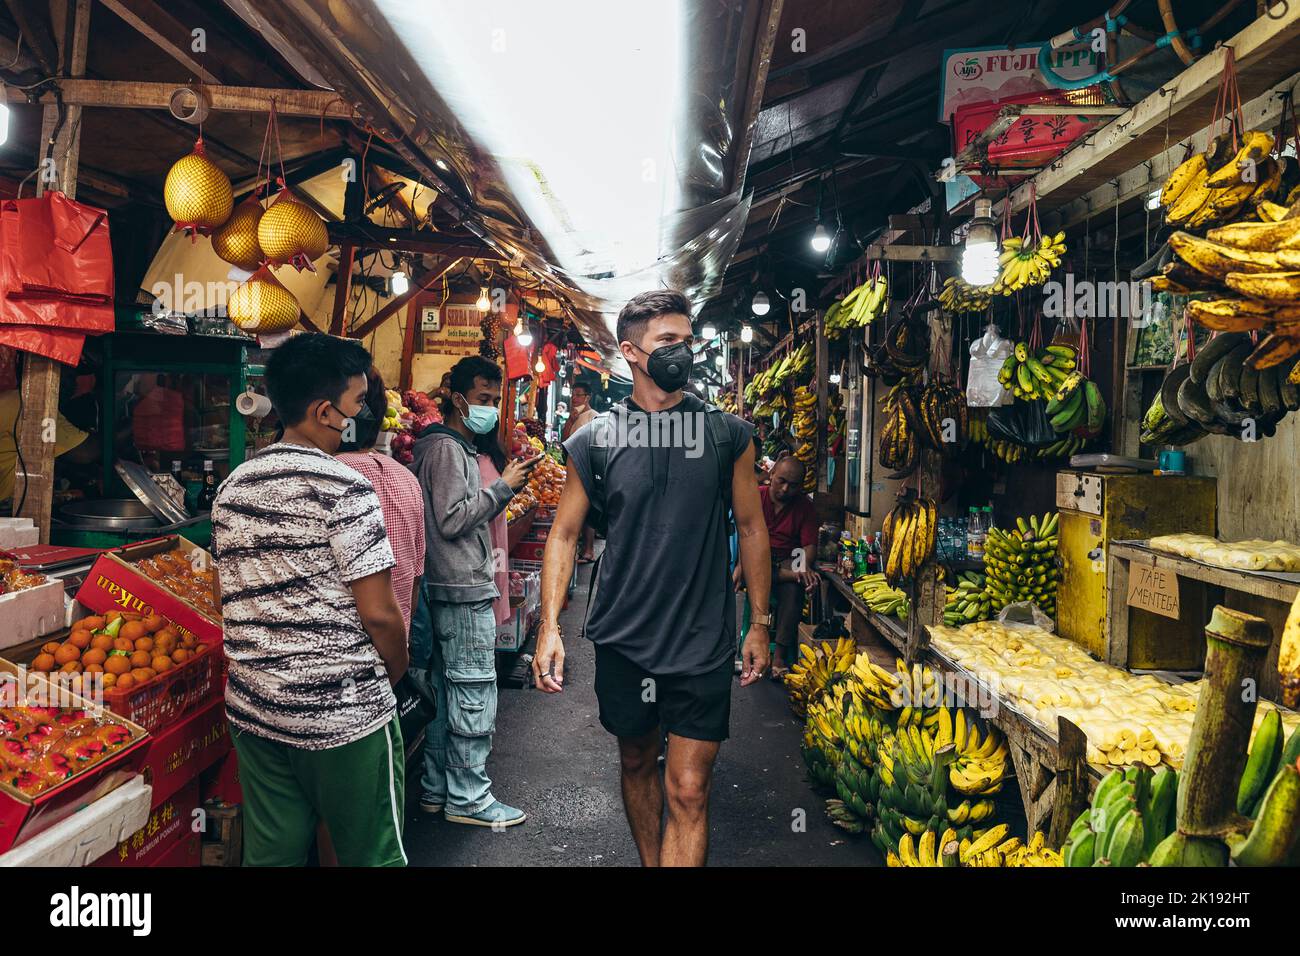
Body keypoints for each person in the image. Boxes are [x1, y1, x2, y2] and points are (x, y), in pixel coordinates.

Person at [534, 289, 772, 867]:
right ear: (630, 352)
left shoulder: (726, 435)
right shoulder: (595, 440)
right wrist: (549, 625)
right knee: (637, 761)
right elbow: (564, 534)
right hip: (625, 634)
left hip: (701, 637)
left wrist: (760, 623)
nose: (682, 353)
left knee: (689, 788)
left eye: (687, 341)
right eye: (668, 342)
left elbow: (753, 526)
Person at [209, 333, 409, 868]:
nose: (362, 413)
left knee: (273, 856)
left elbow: (225, 593)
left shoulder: (233, 486)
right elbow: (379, 613)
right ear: (325, 411)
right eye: (357, 403)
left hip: (255, 706)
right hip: (343, 711)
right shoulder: (346, 488)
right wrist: (393, 673)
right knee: (374, 856)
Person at [412, 354, 541, 828]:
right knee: (472, 691)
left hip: (447, 584)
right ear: (458, 398)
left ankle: (436, 788)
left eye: (495, 399)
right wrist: (503, 488)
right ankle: (469, 796)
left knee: (449, 694)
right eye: (483, 399)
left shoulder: (443, 447)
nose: (489, 408)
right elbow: (451, 520)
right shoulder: (446, 449)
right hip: (460, 585)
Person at [337, 367, 426, 632]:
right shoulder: (406, 478)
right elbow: (415, 580)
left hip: (340, 649)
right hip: (394, 646)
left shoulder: (328, 476)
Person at [734, 454, 819, 677]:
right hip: (756, 560)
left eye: (793, 485)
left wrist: (804, 566)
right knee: (778, 574)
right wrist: (741, 565)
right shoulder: (756, 497)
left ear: (801, 486)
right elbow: (744, 534)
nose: (785, 489)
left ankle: (779, 655)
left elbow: (808, 545)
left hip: (785, 560)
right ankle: (791, 576)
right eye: (781, 480)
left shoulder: (804, 507)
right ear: (771, 474)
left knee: (794, 590)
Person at [561, 381, 598, 563]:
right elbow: (565, 440)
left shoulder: (594, 417)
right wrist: (570, 420)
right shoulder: (573, 417)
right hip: (572, 467)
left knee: (587, 511)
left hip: (587, 468)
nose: (574, 399)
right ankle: (580, 548)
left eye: (578, 395)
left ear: (587, 397)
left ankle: (589, 550)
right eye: (572, 395)